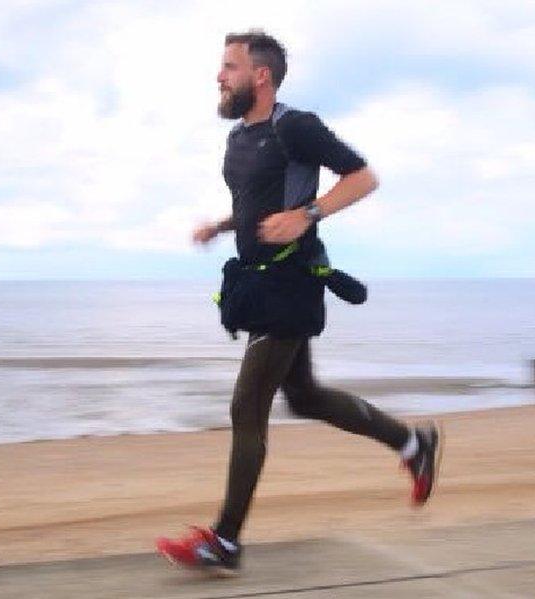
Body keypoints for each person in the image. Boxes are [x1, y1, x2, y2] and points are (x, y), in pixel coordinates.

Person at [156, 30, 443, 576]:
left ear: (260, 76)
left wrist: (306, 216)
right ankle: (412, 444)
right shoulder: (239, 139)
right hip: (256, 280)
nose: (219, 77)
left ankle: (225, 541)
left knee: (247, 407)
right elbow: (255, 203)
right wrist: (222, 225)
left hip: (291, 283)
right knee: (305, 396)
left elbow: (362, 178)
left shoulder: (296, 127)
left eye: (229, 67)